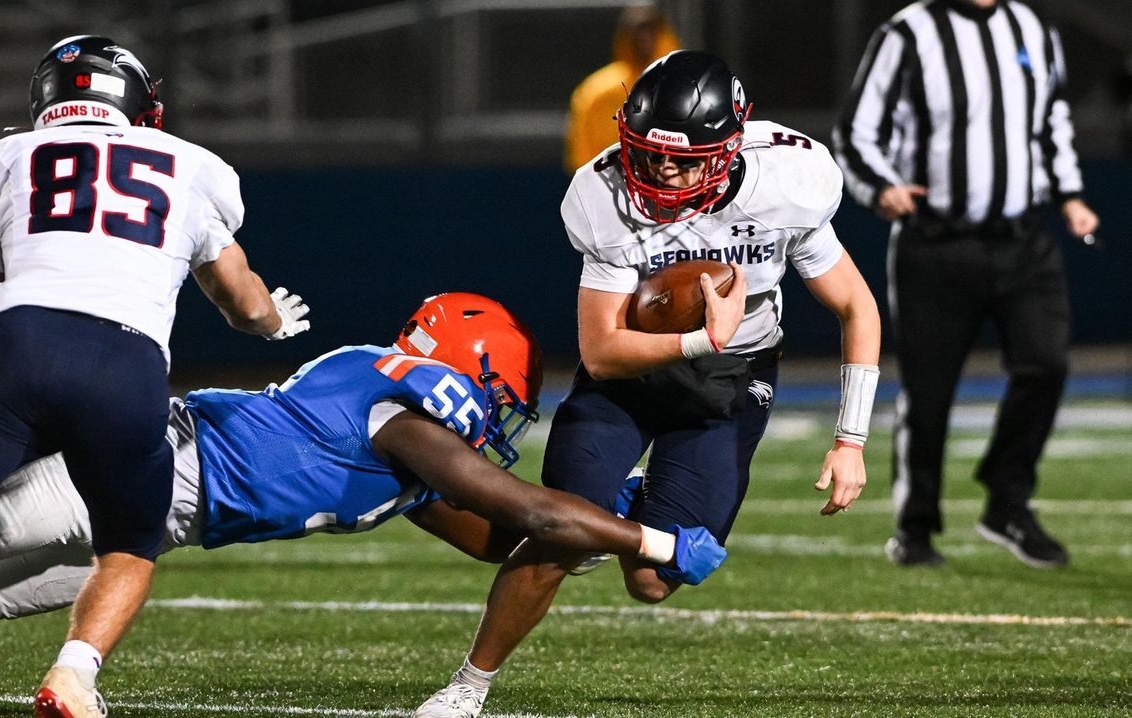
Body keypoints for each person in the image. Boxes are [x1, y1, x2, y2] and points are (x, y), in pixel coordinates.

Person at [0, 293, 727, 683]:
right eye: (498, 400)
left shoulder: (413, 458)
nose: (499, 422)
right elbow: (523, 506)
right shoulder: (400, 409)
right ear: (464, 374)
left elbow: (505, 539)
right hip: (148, 464)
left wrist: (611, 516)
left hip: (166, 520)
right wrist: (650, 541)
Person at [0, 35, 312, 718]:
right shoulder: (189, 167)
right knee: (130, 544)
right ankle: (73, 675)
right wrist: (272, 322)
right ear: (135, 101)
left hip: (17, 347)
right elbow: (243, 302)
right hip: (126, 369)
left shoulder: (5, 160)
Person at [415, 50, 882, 718]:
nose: (662, 170)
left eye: (684, 159)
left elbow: (856, 308)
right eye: (650, 153)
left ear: (727, 149)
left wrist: (850, 439)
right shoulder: (601, 195)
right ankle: (468, 685)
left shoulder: (791, 182)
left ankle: (625, 512)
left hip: (733, 376)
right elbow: (603, 354)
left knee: (654, 583)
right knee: (560, 533)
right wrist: (698, 336)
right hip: (633, 370)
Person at [833, 0, 1100, 568]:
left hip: (1024, 237)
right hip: (936, 241)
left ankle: (1008, 502)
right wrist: (881, 187)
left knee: (1046, 365)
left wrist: (1070, 194)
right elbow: (855, 131)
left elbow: (1051, 117)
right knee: (929, 392)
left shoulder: (1030, 27)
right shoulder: (908, 32)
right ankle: (915, 526)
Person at [563, 3, 679, 172]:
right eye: (639, 32)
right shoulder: (597, 91)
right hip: (610, 185)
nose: (645, 40)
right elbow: (580, 151)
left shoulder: (680, 84)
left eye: (651, 31)